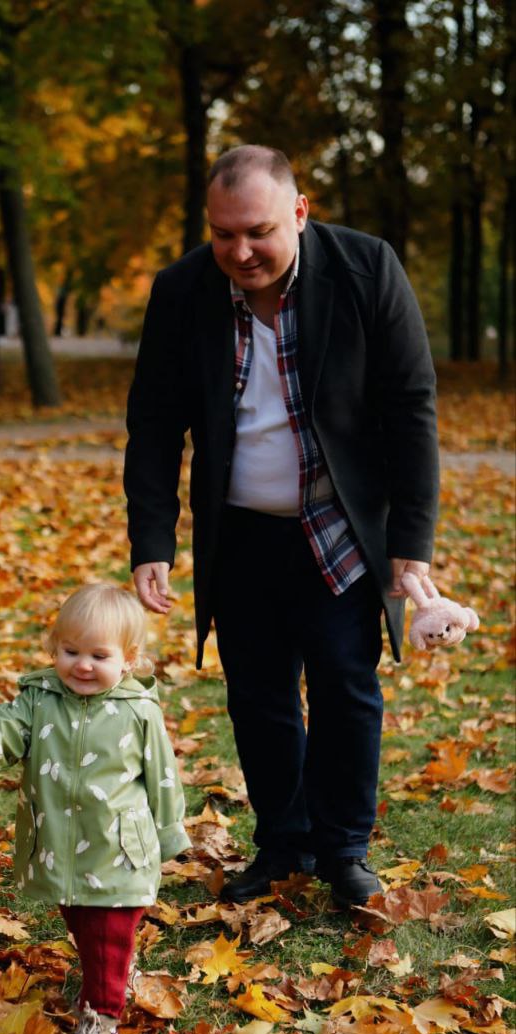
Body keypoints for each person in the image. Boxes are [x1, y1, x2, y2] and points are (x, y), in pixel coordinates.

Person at [124, 144, 439, 909]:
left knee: (344, 687)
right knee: (257, 695)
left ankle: (343, 850)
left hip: (336, 524)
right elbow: (155, 423)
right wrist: (152, 542)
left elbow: (410, 408)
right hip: (238, 531)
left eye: (257, 231)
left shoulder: (365, 269)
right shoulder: (182, 290)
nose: (239, 251)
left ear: (298, 212)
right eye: (222, 234)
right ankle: (282, 843)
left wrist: (410, 545)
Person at [0, 583, 190, 1034]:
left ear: (128, 660)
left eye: (99, 656)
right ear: (53, 648)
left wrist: (167, 836)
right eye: (71, 652)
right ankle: (116, 972)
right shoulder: (40, 702)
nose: (82, 665)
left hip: (119, 849)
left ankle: (101, 1020)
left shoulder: (139, 711)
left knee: (107, 930)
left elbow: (162, 775)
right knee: (82, 921)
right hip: (60, 845)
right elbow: (4, 726)